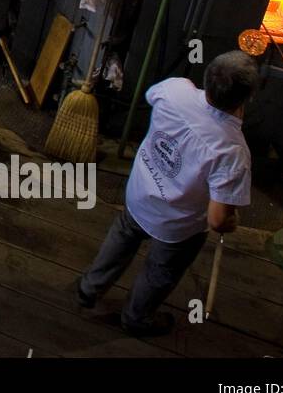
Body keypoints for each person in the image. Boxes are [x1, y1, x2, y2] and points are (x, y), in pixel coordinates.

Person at [76, 50, 257, 336]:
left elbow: (152, 97)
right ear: (247, 98)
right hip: (177, 226)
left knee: (122, 237)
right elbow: (217, 220)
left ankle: (89, 288)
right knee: (161, 270)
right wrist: (230, 222)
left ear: (208, 76)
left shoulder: (175, 90)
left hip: (139, 194)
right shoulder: (232, 150)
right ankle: (136, 319)